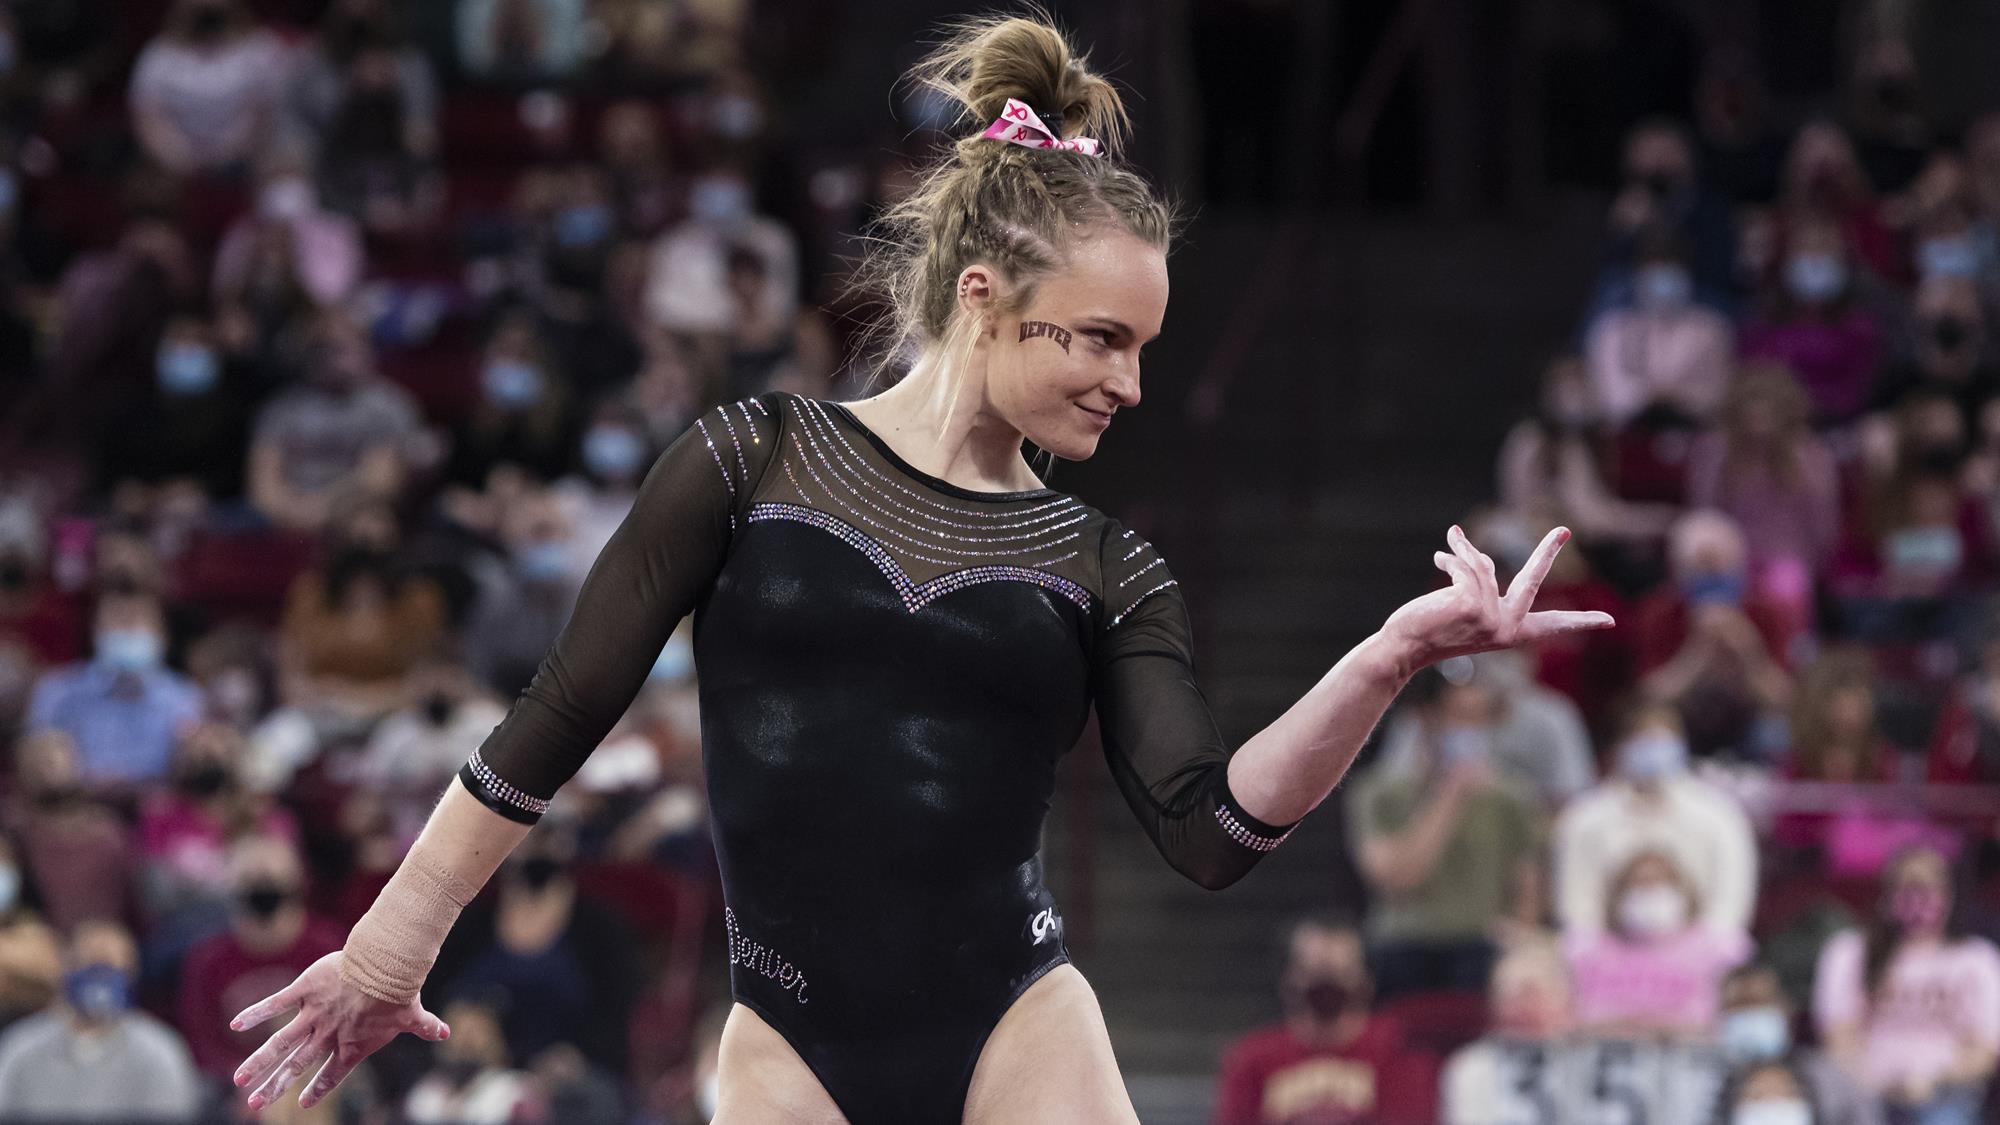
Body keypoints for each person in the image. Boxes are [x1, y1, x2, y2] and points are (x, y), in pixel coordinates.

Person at [228, 16, 1613, 1122]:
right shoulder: (751, 459)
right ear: (982, 297)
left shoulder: (1101, 563)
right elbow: (560, 709)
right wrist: (395, 937)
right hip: (786, 1042)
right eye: (1098, 338)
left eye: (1143, 349)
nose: (1130, 385)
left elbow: (1210, 832)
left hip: (1021, 1024)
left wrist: (1386, 661)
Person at [1348, 669, 1545, 998]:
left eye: (1481, 718)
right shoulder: (1378, 792)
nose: (1471, 729)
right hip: (1403, 951)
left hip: (1480, 952)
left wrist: (1519, 932)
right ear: (1426, 718)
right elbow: (1394, 874)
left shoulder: (1511, 798)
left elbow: (1527, 885)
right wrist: (1450, 794)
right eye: (1461, 716)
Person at [1813, 846, 2000, 1124]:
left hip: (1946, 1093)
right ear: (1886, 895)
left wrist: (1930, 1081)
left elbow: (1985, 1050)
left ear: (1950, 894)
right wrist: (1875, 1082)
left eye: (1928, 887)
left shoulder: (1975, 958)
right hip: (1865, 1091)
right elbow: (1839, 1038)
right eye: (1907, 887)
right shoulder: (1851, 952)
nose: (1918, 899)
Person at [1554, 702, 1757, 934]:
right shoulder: (1584, 818)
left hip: (1701, 956)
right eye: (1645, 739)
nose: (1654, 748)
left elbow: (1730, 904)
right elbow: (1576, 907)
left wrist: (1704, 954)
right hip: (1606, 955)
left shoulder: (1720, 816)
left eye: (1663, 741)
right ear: (1622, 747)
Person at [1213, 918, 1435, 1125]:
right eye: (1314, 971)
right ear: (1287, 981)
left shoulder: (1401, 1048)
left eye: (1339, 971)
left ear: (1366, 982)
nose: (1326, 983)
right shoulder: (1250, 1057)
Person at [0, 920, 204, 1122]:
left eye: (110, 968)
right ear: (66, 968)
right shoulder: (22, 1048)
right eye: (89, 964)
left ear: (130, 976)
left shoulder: (159, 1051)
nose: (99, 979)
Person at [1563, 849, 1751, 1037]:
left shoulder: (1715, 945)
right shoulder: (1587, 947)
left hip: (1692, 1053)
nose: (1650, 892)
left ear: (1681, 890)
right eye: (1640, 884)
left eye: (1659, 883)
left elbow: (1738, 1012)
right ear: (1619, 893)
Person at [1719, 962, 1883, 1125]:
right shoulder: (1709, 1080)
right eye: (1741, 1004)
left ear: (1785, 1007)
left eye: (1761, 1002)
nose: (1752, 1013)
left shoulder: (1828, 1078)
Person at [1439, 941, 1577, 1124]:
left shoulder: (1595, 1065)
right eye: (1503, 995)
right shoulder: (1472, 1068)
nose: (1513, 1007)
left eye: (1528, 992)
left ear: (1564, 999)